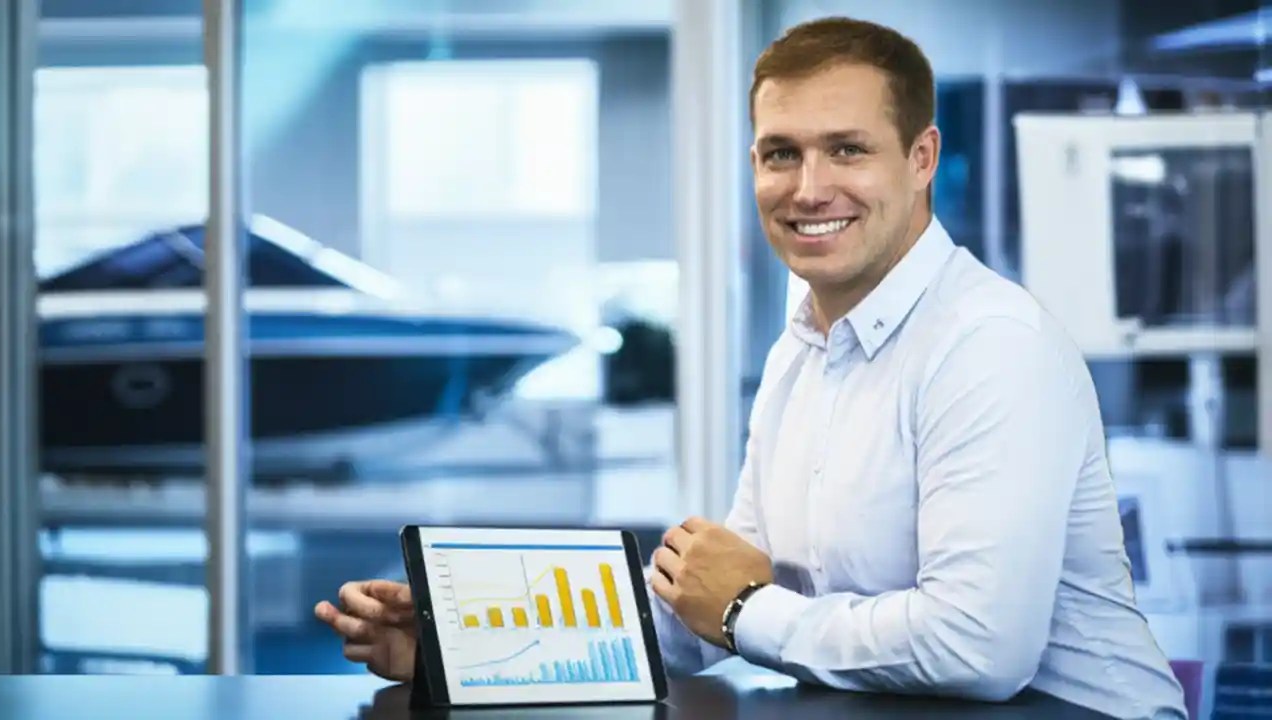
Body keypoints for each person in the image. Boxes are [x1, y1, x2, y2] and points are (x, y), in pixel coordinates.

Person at [315, 16, 1187, 719]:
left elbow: (978, 648)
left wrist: (744, 610)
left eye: (847, 149)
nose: (808, 188)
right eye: (781, 153)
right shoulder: (801, 348)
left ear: (920, 160)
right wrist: (457, 654)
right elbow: (708, 605)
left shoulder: (989, 344)